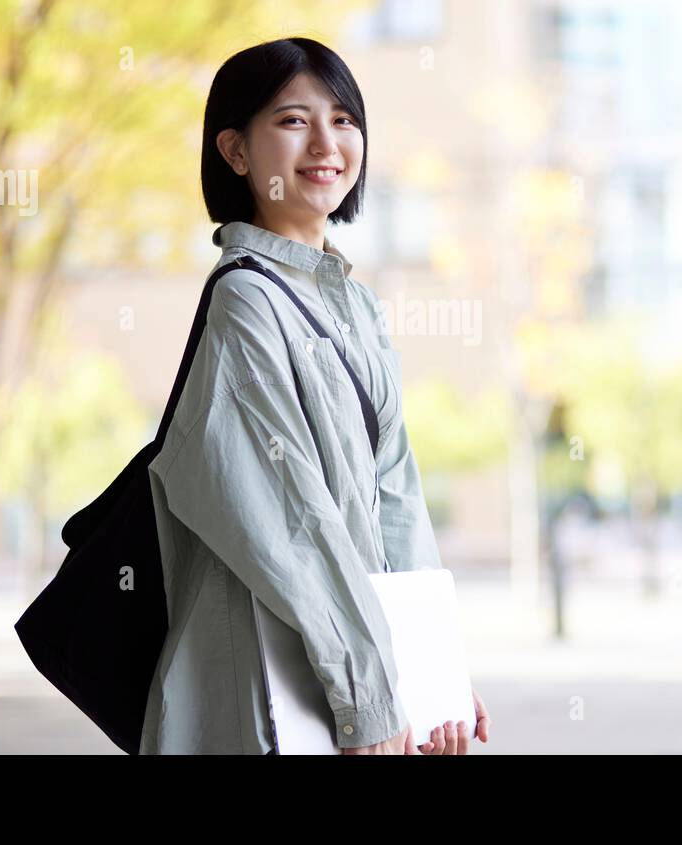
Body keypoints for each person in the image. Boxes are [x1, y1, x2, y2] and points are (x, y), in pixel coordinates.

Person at [138, 37, 492, 755]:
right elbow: (287, 520)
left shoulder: (357, 307)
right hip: (261, 689)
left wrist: (431, 674)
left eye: (344, 119)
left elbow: (398, 498)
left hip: (349, 682)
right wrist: (370, 691)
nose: (326, 142)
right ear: (236, 152)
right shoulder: (245, 302)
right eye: (293, 121)